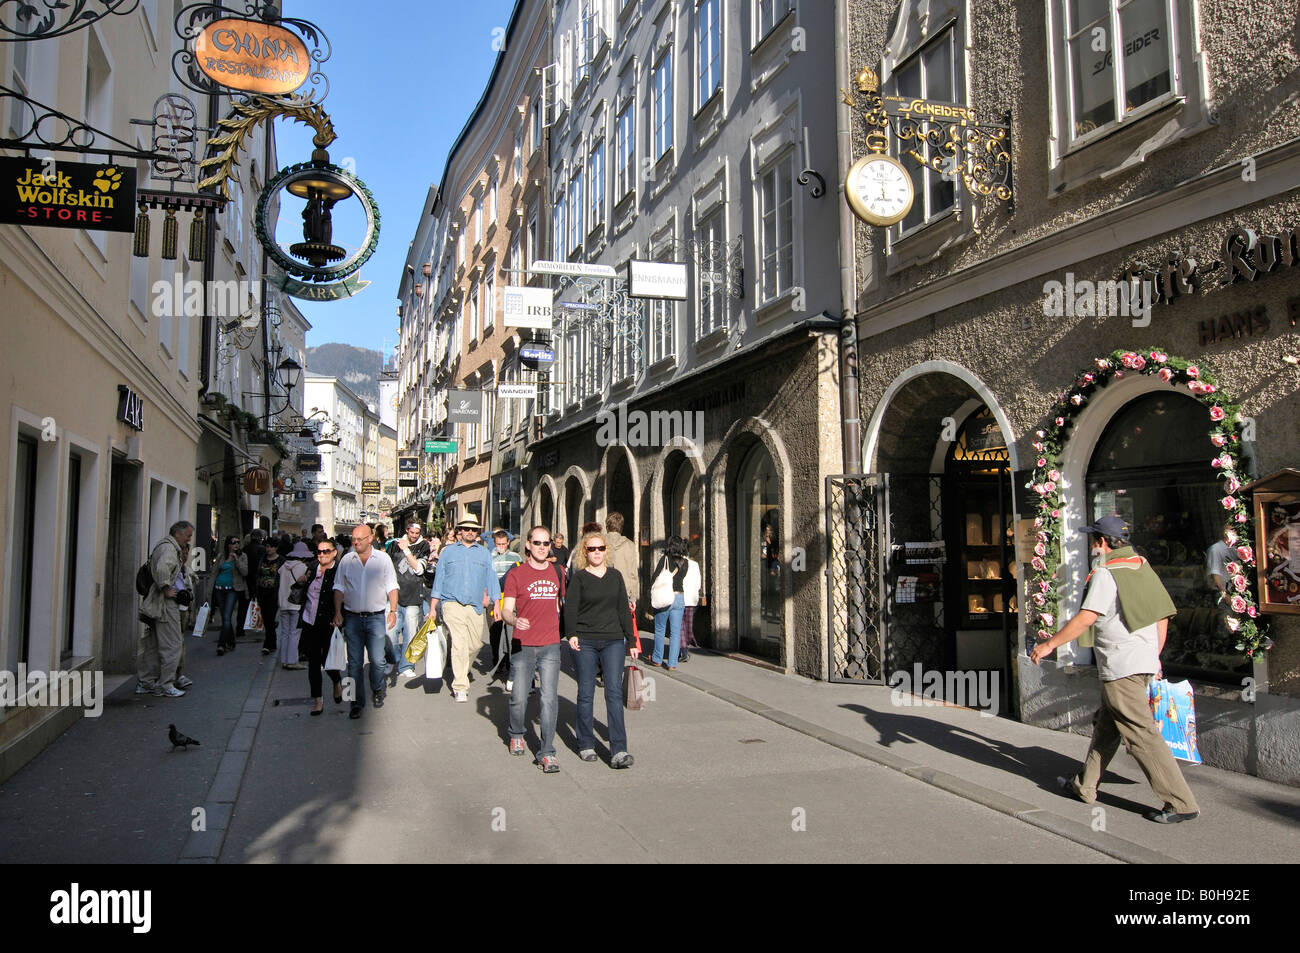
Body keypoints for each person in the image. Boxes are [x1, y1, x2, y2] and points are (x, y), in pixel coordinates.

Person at [1031, 515, 1200, 824]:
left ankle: (1180, 802)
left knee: (1141, 735)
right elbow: (1163, 616)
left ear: (1103, 542)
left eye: (1094, 540)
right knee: (1107, 725)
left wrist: (1049, 645)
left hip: (1121, 666)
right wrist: (1154, 655)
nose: (1093, 546)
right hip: (1141, 662)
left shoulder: (1106, 573)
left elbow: (1086, 618)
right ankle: (1084, 786)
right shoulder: (1141, 566)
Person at [565, 531, 639, 768]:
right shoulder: (579, 578)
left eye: (600, 548)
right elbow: (571, 609)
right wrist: (571, 635)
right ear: (584, 553)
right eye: (591, 549)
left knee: (614, 694)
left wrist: (632, 640)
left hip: (613, 641)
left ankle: (619, 749)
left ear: (606, 551)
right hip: (584, 641)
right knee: (586, 692)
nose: (596, 552)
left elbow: (622, 610)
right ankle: (586, 743)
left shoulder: (615, 576)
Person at [502, 526, 566, 772]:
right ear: (527, 545)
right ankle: (517, 731)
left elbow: (561, 605)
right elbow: (507, 609)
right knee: (518, 697)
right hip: (523, 643)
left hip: (550, 644)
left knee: (549, 699)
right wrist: (514, 619)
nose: (542, 547)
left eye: (546, 543)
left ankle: (547, 751)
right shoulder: (517, 575)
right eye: (537, 543)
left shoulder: (558, 572)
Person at [430, 513, 501, 703]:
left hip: (475, 605)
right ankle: (460, 685)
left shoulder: (484, 553)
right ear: (460, 531)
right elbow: (439, 580)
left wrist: (497, 603)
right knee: (459, 643)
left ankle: (462, 668)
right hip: (452, 603)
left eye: (473, 529)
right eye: (466, 528)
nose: (470, 532)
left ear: (477, 532)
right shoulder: (448, 552)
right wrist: (433, 607)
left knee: (475, 644)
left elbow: (492, 578)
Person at [332, 524, 400, 720]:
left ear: (370, 539)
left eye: (359, 539)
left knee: (378, 661)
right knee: (353, 663)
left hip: (376, 617)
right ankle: (354, 702)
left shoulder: (383, 559)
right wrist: (338, 612)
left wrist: (393, 611)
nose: (355, 542)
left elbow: (392, 586)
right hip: (352, 617)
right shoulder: (346, 560)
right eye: (353, 539)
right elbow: (339, 587)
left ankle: (377, 689)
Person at [138, 520, 196, 697]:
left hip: (158, 602)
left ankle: (146, 682)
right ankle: (166, 684)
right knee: (173, 644)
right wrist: (165, 588)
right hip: (166, 603)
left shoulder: (164, 546)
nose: (189, 539)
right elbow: (163, 569)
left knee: (154, 644)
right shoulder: (170, 549)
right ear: (177, 534)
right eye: (188, 536)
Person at [299, 537, 343, 715]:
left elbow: (344, 595)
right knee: (313, 662)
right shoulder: (311, 568)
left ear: (334, 553)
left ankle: (337, 681)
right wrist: (301, 581)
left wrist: (340, 615)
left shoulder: (338, 571)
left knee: (327, 660)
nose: (322, 555)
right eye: (319, 551)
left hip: (329, 621)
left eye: (326, 551)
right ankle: (317, 700)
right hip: (310, 621)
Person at [388, 520, 431, 678]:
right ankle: (393, 660)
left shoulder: (423, 546)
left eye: (417, 533)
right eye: (411, 532)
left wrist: (406, 550)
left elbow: (419, 570)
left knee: (410, 633)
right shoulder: (393, 544)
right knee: (390, 633)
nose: (414, 536)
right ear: (407, 530)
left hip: (414, 595)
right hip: (394, 595)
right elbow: (388, 566)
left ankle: (407, 665)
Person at [650, 536, 689, 669]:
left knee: (660, 629)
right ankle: (672, 663)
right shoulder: (685, 562)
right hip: (679, 597)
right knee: (676, 632)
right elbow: (681, 578)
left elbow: (655, 577)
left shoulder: (665, 559)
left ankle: (657, 659)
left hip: (665, 597)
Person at [489, 528, 523, 675]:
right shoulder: (489, 557)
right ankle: (496, 657)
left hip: (510, 598)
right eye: (498, 544)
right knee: (494, 629)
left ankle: (509, 661)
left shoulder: (516, 557)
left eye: (503, 544)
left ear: (508, 542)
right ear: (494, 543)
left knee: (510, 630)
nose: (501, 546)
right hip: (494, 597)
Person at [277, 540, 312, 670]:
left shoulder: (284, 566)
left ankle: (284, 660)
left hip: (283, 603)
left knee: (285, 632)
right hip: (296, 604)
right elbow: (303, 582)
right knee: (295, 633)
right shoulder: (302, 567)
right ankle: (292, 661)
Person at [213, 536, 248, 656]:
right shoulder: (221, 556)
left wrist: (236, 560)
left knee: (227, 616)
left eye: (238, 542)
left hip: (232, 590)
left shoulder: (242, 556)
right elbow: (214, 574)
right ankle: (231, 641)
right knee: (224, 618)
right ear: (228, 545)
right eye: (234, 543)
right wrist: (208, 593)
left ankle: (221, 645)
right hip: (219, 589)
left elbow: (245, 572)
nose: (236, 544)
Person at [255, 535, 283, 656]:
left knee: (271, 618)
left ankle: (268, 644)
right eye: (267, 546)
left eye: (271, 547)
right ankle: (272, 642)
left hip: (274, 592)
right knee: (266, 618)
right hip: (262, 591)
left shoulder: (281, 560)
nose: (269, 549)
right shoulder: (262, 559)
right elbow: (258, 574)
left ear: (276, 548)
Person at [680, 550, 704, 662]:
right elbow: (698, 583)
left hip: (680, 598)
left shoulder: (677, 563)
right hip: (692, 599)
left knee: (681, 626)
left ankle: (684, 649)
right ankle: (687, 644)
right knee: (687, 625)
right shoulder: (695, 565)